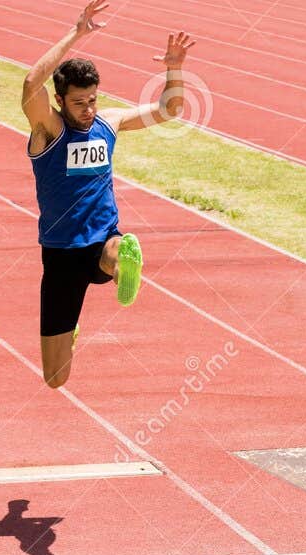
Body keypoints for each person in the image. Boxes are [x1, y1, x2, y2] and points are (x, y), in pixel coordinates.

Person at [21, 1, 195, 389]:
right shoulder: (48, 131)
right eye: (79, 102)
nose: (88, 109)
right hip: (60, 254)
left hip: (102, 240)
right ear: (60, 100)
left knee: (117, 251)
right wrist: (77, 34)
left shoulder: (108, 124)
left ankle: (123, 264)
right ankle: (73, 330)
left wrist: (174, 68)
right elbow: (32, 84)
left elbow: (170, 109)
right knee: (55, 378)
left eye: (93, 100)